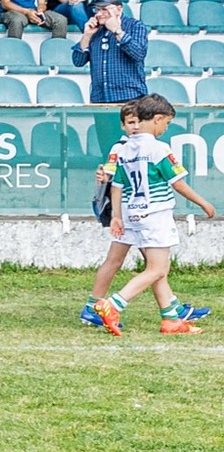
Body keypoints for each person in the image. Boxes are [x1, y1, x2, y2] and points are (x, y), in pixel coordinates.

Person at [87, 94, 215, 336]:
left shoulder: (123, 149)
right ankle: (112, 304)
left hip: (132, 212)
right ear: (157, 119)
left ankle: (171, 319)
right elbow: (178, 183)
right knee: (156, 269)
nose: (166, 128)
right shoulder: (159, 148)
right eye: (166, 123)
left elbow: (117, 185)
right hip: (155, 215)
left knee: (157, 267)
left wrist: (117, 215)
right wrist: (203, 203)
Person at [72, 0, 149, 105]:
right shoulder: (95, 30)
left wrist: (117, 30)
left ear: (119, 9)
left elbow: (138, 53)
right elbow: (78, 61)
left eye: (104, 9)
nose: (99, 14)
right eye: (97, 10)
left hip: (131, 97)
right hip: (100, 98)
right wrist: (87, 35)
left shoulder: (135, 25)